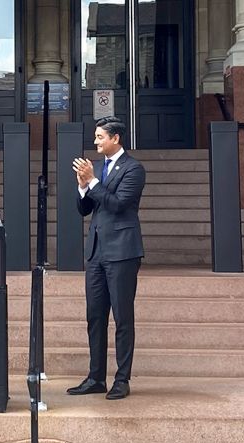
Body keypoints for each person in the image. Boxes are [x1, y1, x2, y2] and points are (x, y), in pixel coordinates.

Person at [67, 116, 146, 401]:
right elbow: (84, 209)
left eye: (100, 137)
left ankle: (122, 379)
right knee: (95, 316)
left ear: (115, 138)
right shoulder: (98, 169)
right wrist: (82, 186)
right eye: (96, 137)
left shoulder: (133, 169)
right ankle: (95, 377)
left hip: (123, 251)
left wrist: (93, 181)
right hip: (97, 252)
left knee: (123, 317)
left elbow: (118, 204)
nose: (96, 141)